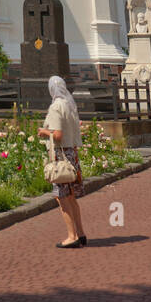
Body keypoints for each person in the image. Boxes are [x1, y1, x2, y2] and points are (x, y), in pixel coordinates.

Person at [38, 76, 86, 248]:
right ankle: (80, 233)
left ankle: (71, 236)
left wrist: (43, 132)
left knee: (63, 198)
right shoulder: (70, 105)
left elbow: (57, 135)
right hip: (72, 154)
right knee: (72, 197)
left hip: (60, 157)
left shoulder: (56, 107)